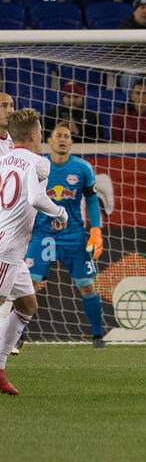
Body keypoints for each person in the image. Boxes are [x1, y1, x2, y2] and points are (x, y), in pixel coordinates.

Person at [1, 110, 70, 393]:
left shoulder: (4, 158)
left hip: (12, 252)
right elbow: (37, 197)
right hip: (6, 251)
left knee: (27, 306)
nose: (42, 137)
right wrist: (61, 212)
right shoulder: (39, 162)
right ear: (33, 136)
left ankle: (0, 371)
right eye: (41, 133)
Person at [19, 122, 105, 350]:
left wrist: (96, 230)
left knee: (86, 285)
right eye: (58, 136)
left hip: (74, 237)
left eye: (67, 136)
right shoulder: (39, 166)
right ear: (49, 140)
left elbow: (93, 201)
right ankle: (19, 336)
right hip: (42, 235)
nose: (63, 139)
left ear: (72, 142)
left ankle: (98, 336)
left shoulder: (83, 168)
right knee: (28, 285)